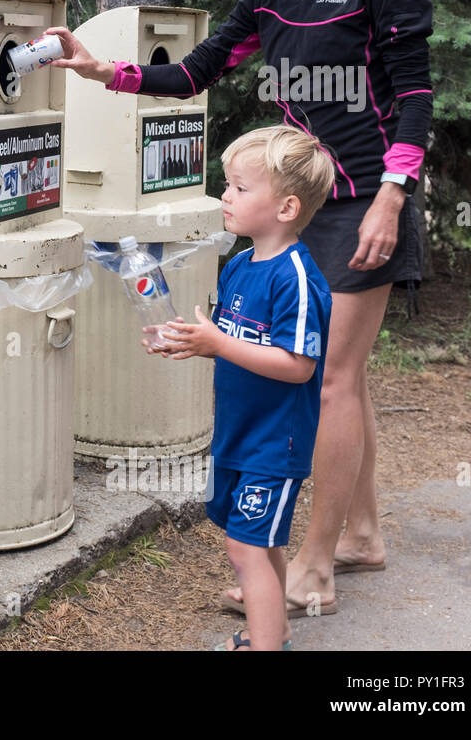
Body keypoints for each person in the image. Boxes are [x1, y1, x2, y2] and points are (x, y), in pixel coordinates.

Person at [44, 0, 433, 621]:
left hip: (363, 205)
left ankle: (315, 566)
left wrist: (394, 197)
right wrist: (104, 72)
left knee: (328, 380)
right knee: (342, 380)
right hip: (301, 209)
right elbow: (195, 70)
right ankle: (362, 534)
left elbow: (416, 97)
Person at [145, 126, 335, 650]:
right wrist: (185, 339)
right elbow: (229, 339)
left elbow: (298, 365)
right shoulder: (241, 266)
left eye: (240, 188)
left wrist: (218, 345)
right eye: (227, 184)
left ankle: (264, 644)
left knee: (245, 548)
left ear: (287, 207)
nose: (225, 195)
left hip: (276, 443)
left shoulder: (295, 277)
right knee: (260, 543)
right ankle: (270, 631)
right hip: (238, 434)